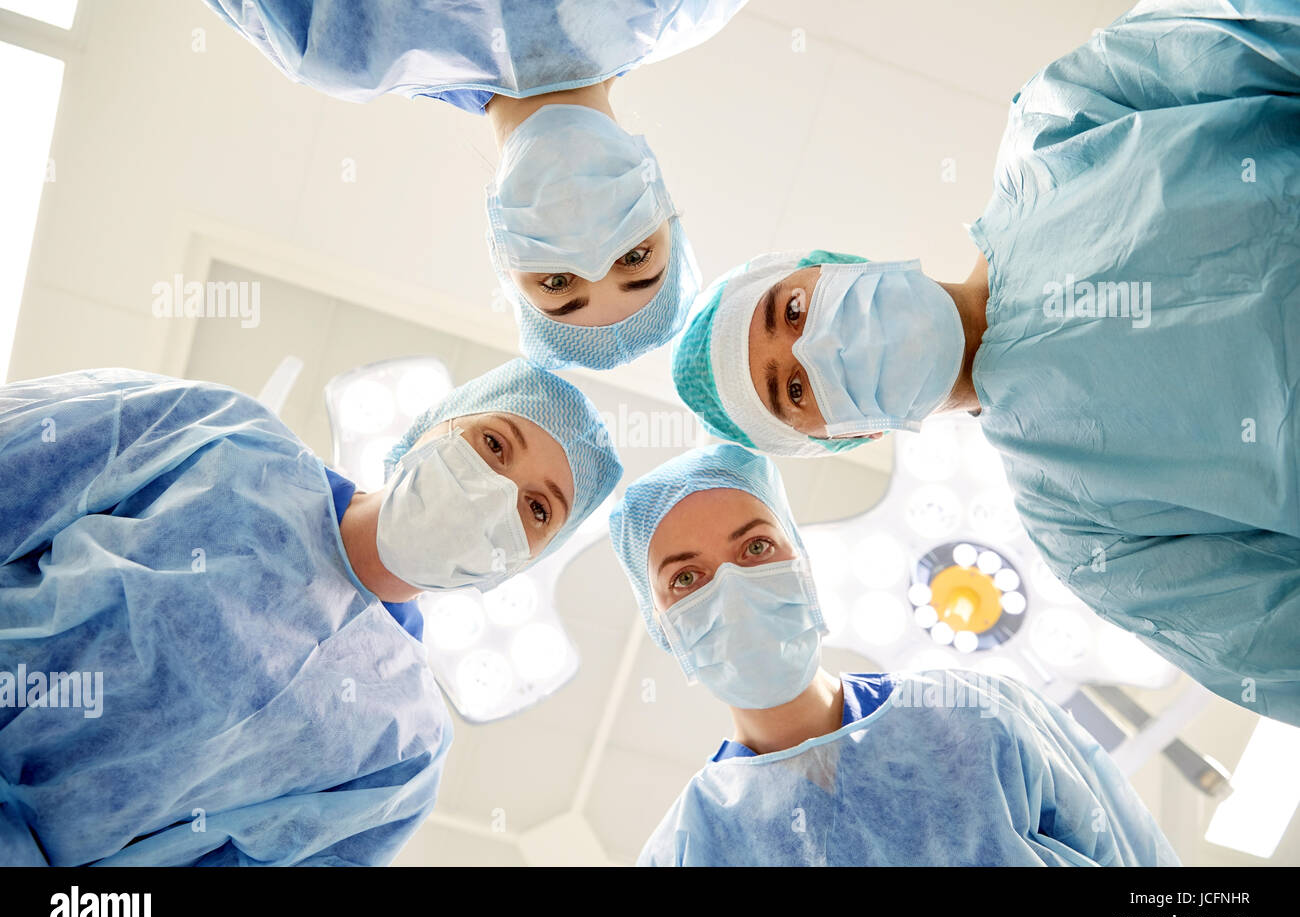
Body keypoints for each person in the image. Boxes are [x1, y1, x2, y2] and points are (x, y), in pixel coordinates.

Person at [669, 0, 1300, 724]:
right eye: (797, 387)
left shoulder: (1070, 122)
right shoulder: (1084, 529)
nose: (820, 344)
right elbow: (1277, 645)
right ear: (854, 434)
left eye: (792, 312)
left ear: (833, 265)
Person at [0, 360, 620, 865]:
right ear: (431, 425)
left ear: (523, 564)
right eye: (492, 444)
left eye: (539, 510)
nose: (496, 494)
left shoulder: (402, 754)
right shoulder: (217, 437)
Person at [608, 443, 1179, 866]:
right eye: (687, 578)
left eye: (756, 546)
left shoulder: (974, 712)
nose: (731, 589)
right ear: (664, 630)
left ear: (802, 565)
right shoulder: (688, 849)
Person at [203, 0, 746, 368]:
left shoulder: (338, 52)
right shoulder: (687, 8)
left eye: (557, 284)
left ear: (502, 253)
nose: (589, 247)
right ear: (665, 206)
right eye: (635, 258)